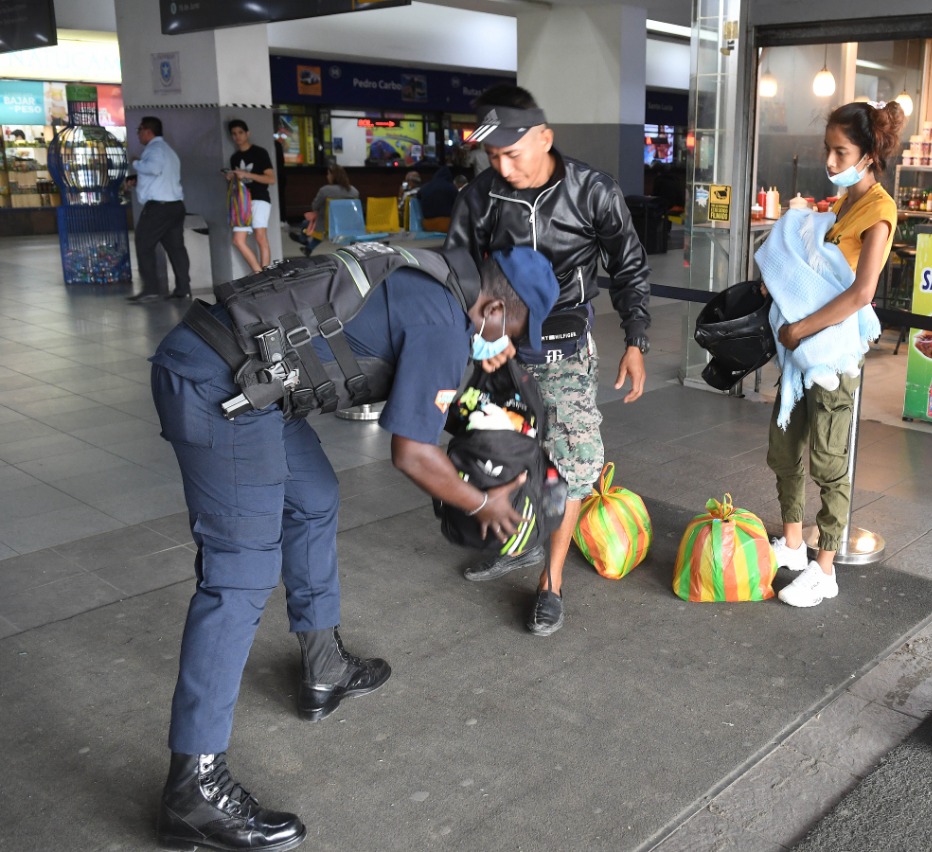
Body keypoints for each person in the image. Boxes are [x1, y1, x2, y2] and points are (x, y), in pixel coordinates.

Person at [149, 244, 559, 851]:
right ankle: (193, 789)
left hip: (256, 382)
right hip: (222, 386)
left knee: (313, 496)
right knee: (239, 576)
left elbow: (423, 392)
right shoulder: (444, 321)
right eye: (511, 333)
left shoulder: (427, 277)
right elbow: (412, 453)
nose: (502, 350)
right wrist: (484, 503)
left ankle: (324, 667)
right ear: (493, 307)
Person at [446, 83, 652, 636]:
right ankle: (516, 543)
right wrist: (487, 321)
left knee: (573, 467)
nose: (502, 166)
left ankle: (551, 582)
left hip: (563, 349)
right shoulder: (481, 196)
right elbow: (458, 267)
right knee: (500, 457)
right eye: (492, 156)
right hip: (498, 354)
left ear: (544, 138)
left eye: (511, 153)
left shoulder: (593, 192)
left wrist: (636, 339)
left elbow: (629, 266)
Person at [763, 101, 904, 607]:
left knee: (827, 459)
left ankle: (825, 568)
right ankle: (794, 543)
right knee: (784, 449)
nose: (829, 158)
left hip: (832, 356)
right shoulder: (842, 203)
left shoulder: (878, 210)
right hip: (800, 355)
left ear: (868, 154)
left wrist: (799, 326)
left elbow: (861, 293)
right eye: (827, 148)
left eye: (840, 150)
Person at [128, 116, 191, 303]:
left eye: (139, 130)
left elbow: (154, 169)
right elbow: (160, 176)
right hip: (175, 206)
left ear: (147, 131)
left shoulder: (154, 149)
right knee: (175, 248)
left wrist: (136, 163)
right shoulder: (169, 151)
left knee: (143, 244)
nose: (138, 134)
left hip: (159, 208)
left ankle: (151, 289)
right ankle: (183, 288)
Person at [226, 119, 276, 273]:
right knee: (238, 240)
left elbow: (271, 179)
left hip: (259, 198)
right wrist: (232, 177)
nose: (237, 136)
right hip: (242, 201)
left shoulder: (260, 153)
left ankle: (266, 274)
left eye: (240, 132)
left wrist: (247, 174)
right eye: (234, 134)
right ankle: (258, 273)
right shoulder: (234, 158)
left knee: (260, 236)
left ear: (247, 133)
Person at [289, 163, 359, 257]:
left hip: (327, 225)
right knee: (320, 224)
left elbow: (314, 206)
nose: (327, 176)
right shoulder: (354, 191)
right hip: (347, 224)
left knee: (307, 223)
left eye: (328, 174)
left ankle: (303, 239)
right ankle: (308, 248)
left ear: (333, 176)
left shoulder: (325, 190)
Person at [418, 165, 459, 232]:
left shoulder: (425, 187)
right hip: (446, 224)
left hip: (427, 224)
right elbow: (458, 205)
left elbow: (417, 198)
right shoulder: (451, 188)